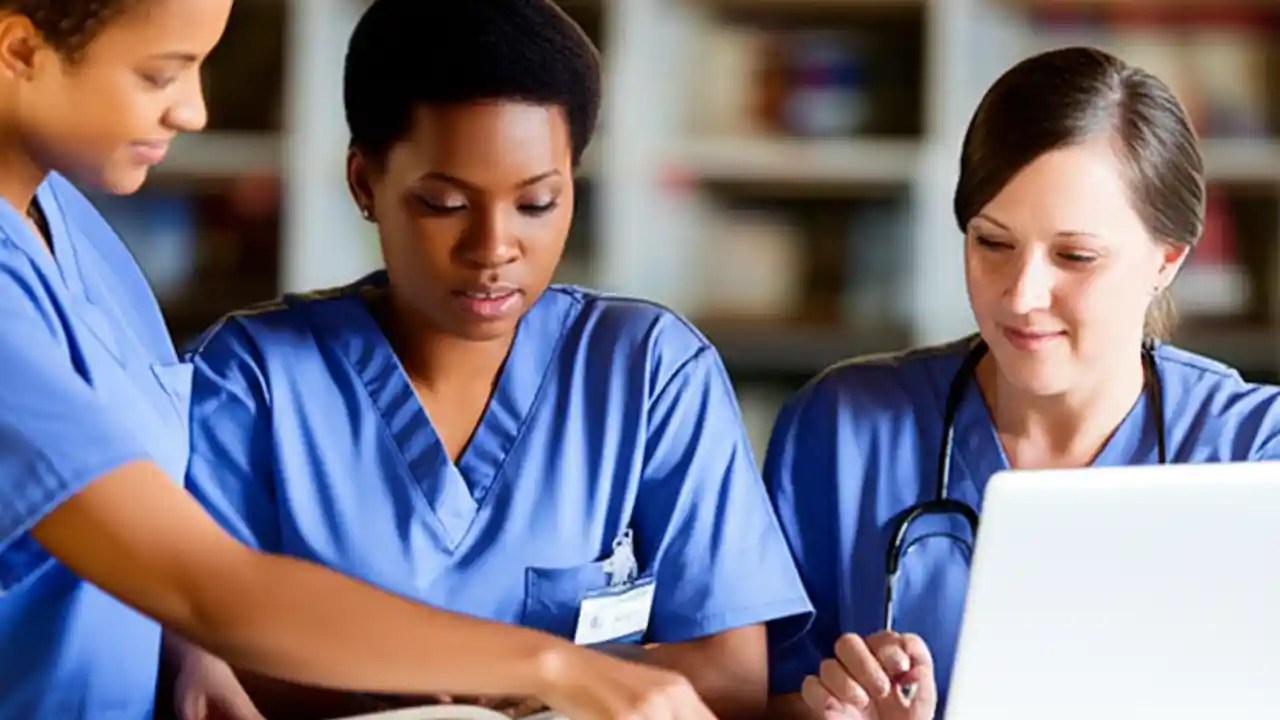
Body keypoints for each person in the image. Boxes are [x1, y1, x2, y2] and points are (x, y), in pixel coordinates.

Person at [0, 2, 729, 719]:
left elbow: (126, 549)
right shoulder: (251, 370)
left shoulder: (71, 230)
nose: (193, 112)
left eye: (535, 202)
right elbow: (204, 583)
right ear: (19, 50)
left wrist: (188, 651)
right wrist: (559, 667)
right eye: (163, 74)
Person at [168, 1, 814, 718]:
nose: (493, 249)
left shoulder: (649, 373)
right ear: (364, 185)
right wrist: (448, 680)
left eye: (536, 204)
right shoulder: (250, 382)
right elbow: (203, 649)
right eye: (444, 204)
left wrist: (533, 680)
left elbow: (730, 677)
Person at [762, 45, 1280, 720]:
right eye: (992, 244)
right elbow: (755, 697)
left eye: (1075, 256)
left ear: (1167, 260)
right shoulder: (842, 430)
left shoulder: (1256, 453)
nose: (1022, 295)